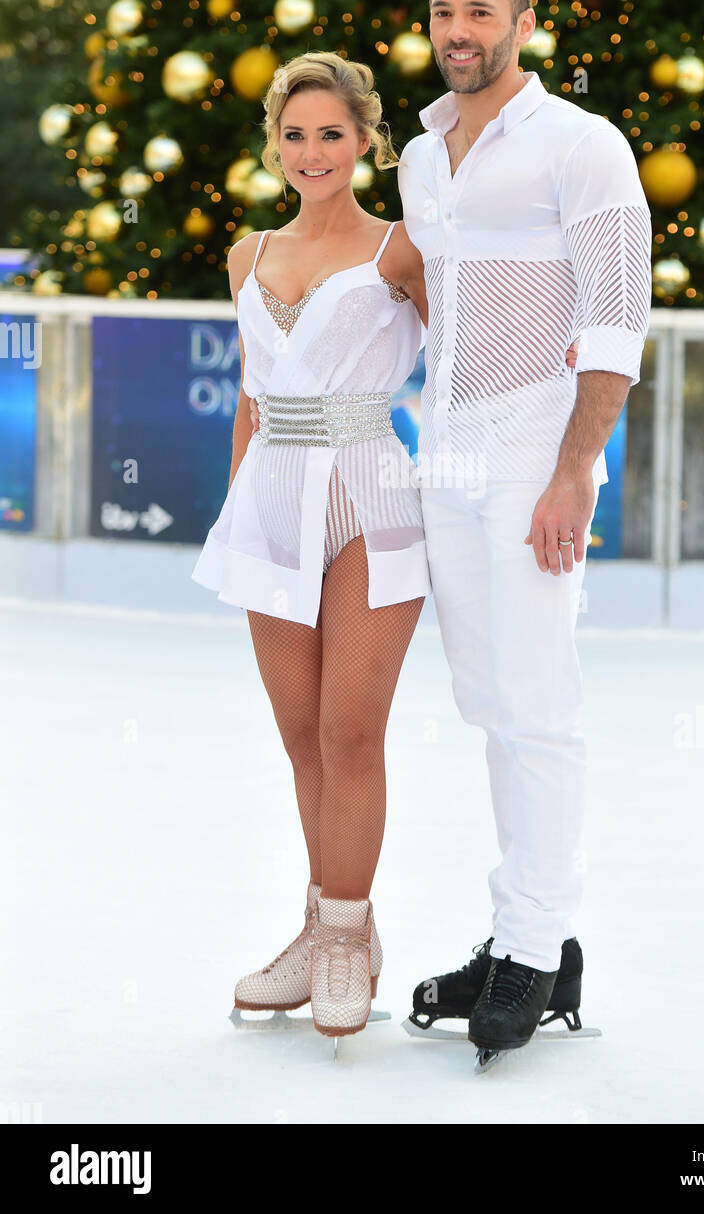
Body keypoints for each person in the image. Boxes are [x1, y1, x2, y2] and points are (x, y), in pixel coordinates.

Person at [396, 0, 654, 1058]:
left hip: (531, 451)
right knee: (486, 698)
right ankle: (521, 934)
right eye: (445, 11)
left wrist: (571, 472)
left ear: (525, 23)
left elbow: (615, 317)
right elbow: (421, 286)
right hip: (443, 451)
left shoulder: (580, 145)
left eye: (481, 13)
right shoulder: (419, 153)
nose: (461, 31)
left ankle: (536, 946)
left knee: (539, 704)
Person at [191, 52, 433, 1039]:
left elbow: (469, 357)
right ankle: (329, 922)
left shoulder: (405, 249)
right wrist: (234, 506)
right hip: (271, 496)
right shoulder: (247, 255)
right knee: (300, 739)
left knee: (349, 734)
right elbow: (252, 398)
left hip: (370, 488)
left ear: (367, 139)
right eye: (295, 134)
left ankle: (343, 937)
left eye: (332, 132)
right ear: (274, 144)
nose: (312, 150)